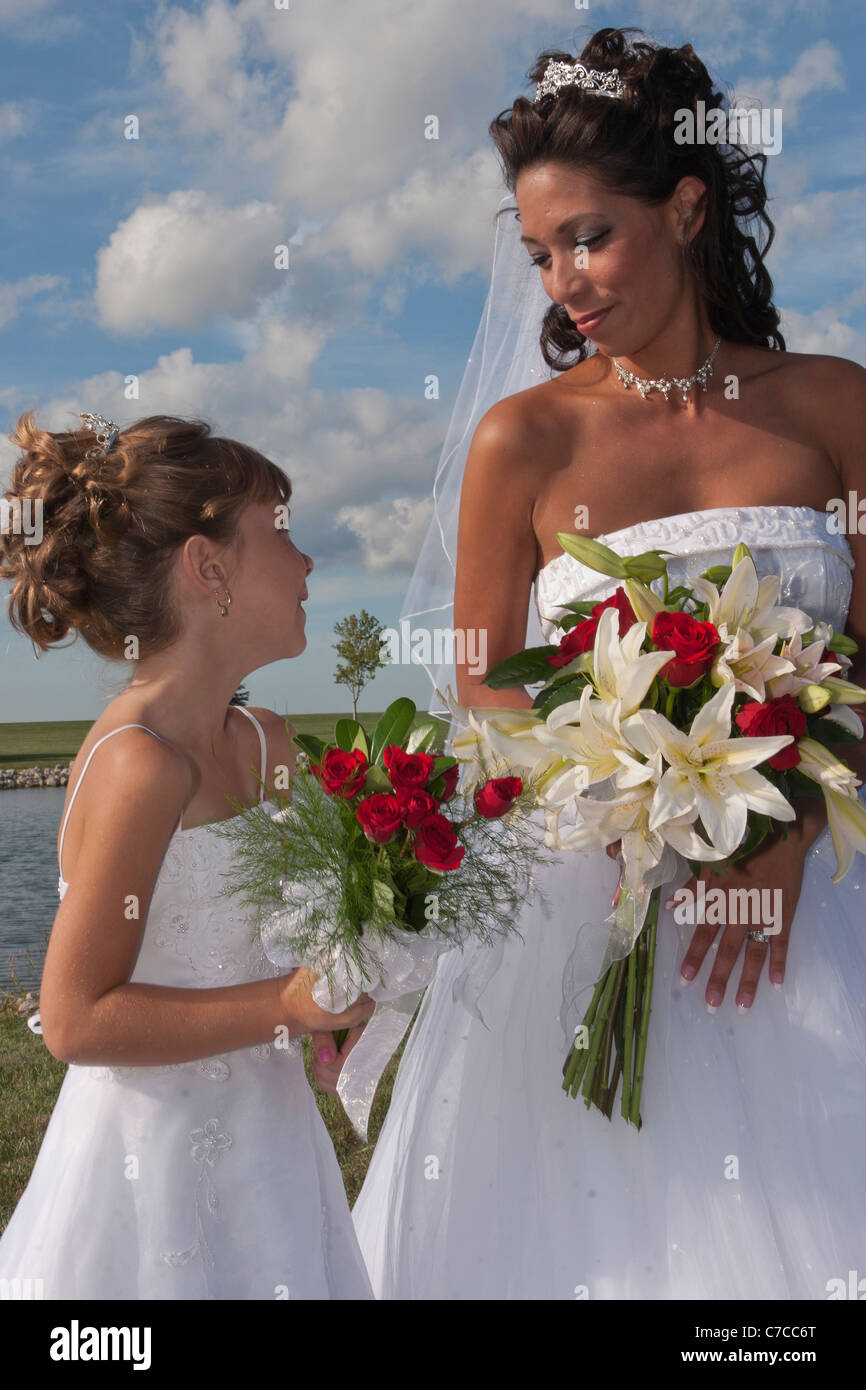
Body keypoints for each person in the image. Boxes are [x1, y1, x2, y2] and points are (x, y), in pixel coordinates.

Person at [350, 27, 866, 1299]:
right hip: (594, 889)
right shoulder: (519, 440)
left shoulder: (834, 408)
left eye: (587, 237)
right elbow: (482, 676)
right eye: (538, 254)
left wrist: (784, 825)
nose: (561, 282)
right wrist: (634, 789)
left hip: (828, 874)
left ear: (684, 207)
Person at [0, 411, 374, 1299]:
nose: (310, 562)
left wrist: (341, 992)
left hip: (274, 1149)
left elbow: (298, 928)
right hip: (152, 1167)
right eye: (283, 533)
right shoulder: (139, 764)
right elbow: (79, 1018)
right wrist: (288, 1004)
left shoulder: (268, 745)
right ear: (209, 568)